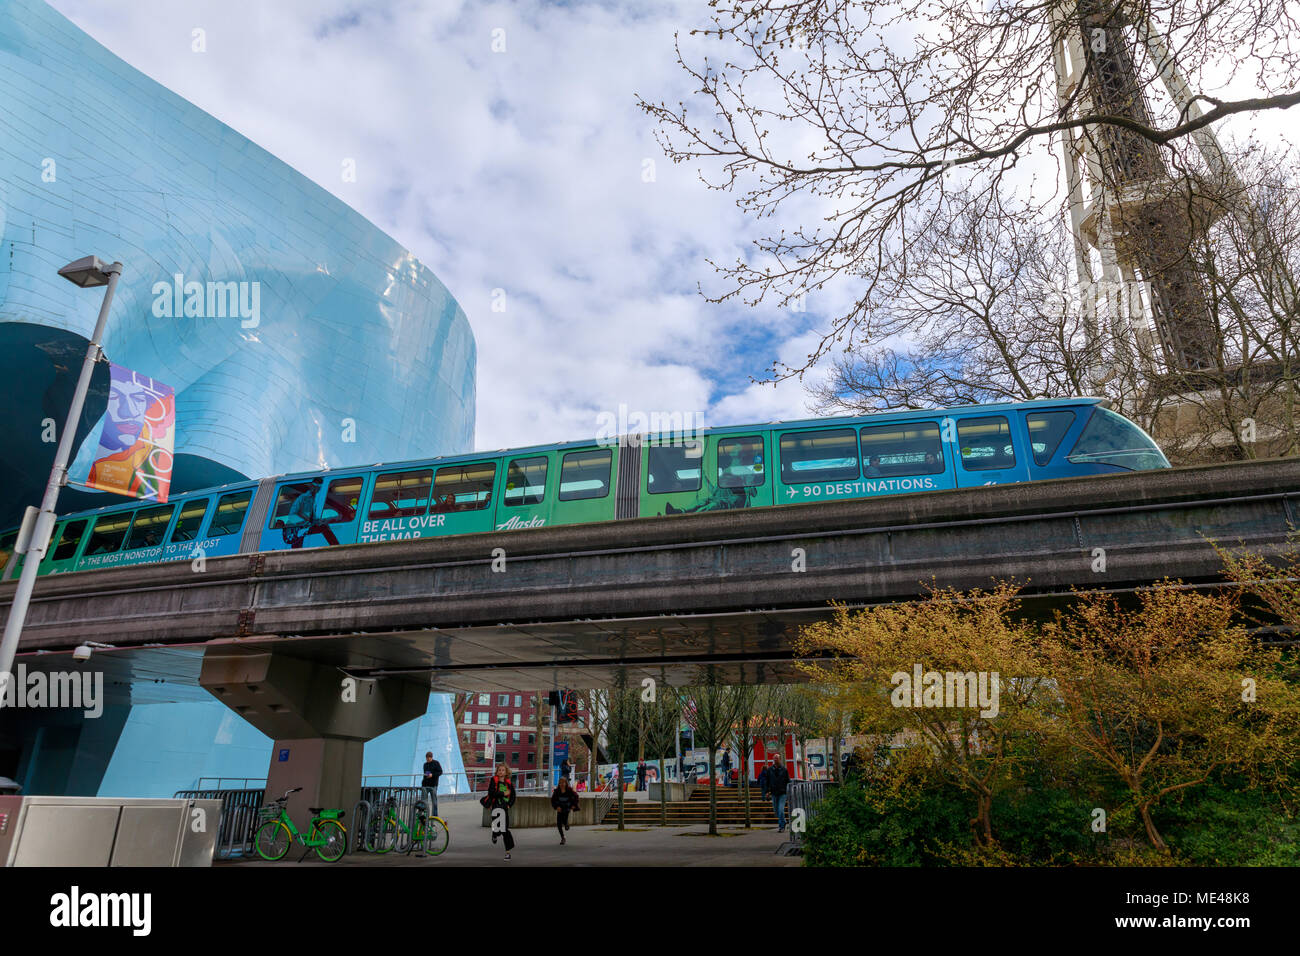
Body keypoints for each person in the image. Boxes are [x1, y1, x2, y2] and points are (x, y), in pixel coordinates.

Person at [480, 763, 517, 859]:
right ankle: (495, 834)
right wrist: (503, 793)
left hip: (504, 808)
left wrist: (509, 805)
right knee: (497, 829)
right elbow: (491, 793)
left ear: (506, 772)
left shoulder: (508, 783)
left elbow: (513, 796)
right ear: (497, 772)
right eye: (499, 770)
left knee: (505, 830)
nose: (501, 772)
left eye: (503, 770)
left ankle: (508, 852)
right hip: (496, 808)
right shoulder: (494, 780)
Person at [550, 775, 580, 845]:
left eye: (563, 783)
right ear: (559, 784)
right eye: (560, 783)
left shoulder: (569, 790)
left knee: (564, 819)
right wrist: (556, 807)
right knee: (558, 823)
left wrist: (574, 805)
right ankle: (563, 838)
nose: (562, 784)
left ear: (566, 783)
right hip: (560, 807)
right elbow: (553, 800)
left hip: (567, 807)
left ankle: (566, 824)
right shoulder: (557, 791)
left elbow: (576, 796)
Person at [769, 753, 791, 833]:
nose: (775, 760)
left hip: (782, 793)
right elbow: (768, 781)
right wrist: (768, 791)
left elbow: (788, 781)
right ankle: (784, 821)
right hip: (774, 793)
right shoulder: (770, 769)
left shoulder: (784, 770)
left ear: (780, 759)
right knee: (776, 811)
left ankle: (781, 826)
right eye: (774, 758)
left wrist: (788, 790)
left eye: (776, 758)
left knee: (781, 809)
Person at [421, 751, 443, 817]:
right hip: (425, 785)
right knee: (424, 801)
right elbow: (425, 773)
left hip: (433, 785)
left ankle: (434, 815)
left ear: (431, 757)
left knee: (434, 801)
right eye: (426, 758)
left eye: (428, 758)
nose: (427, 760)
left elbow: (440, 772)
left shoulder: (436, 763)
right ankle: (424, 815)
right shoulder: (425, 764)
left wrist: (432, 775)